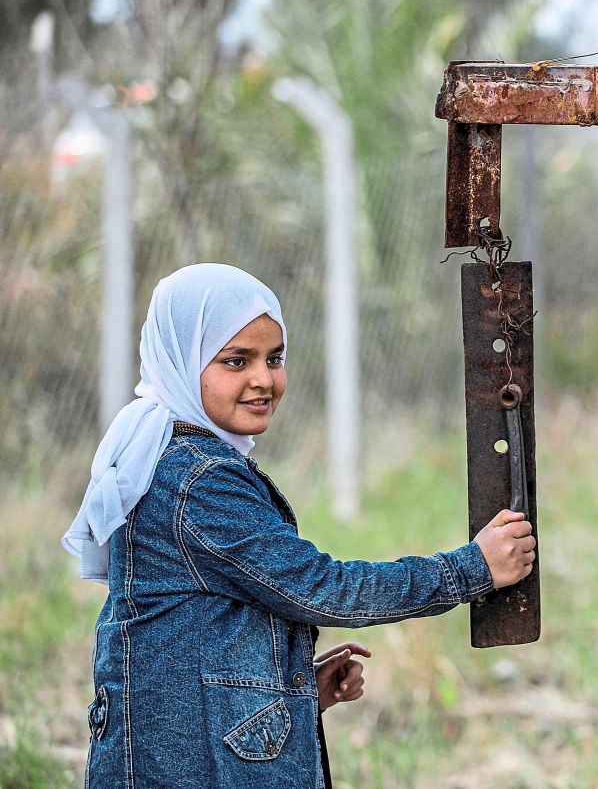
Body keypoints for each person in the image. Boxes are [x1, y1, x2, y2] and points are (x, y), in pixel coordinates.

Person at [62, 263, 535, 788]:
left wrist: (287, 689)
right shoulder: (197, 481)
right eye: (235, 361)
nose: (263, 378)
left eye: (274, 357)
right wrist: (473, 568)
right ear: (180, 363)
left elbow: (194, 630)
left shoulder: (166, 460)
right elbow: (324, 590)